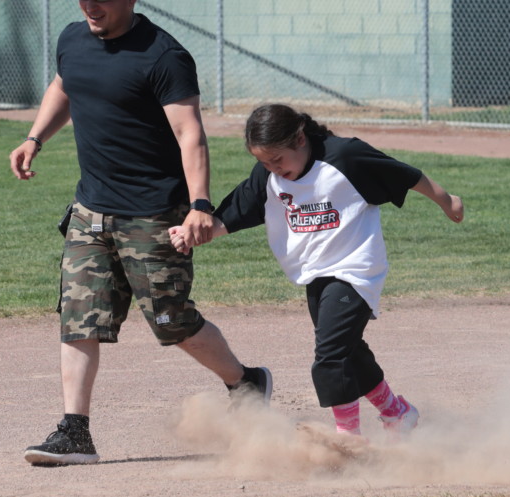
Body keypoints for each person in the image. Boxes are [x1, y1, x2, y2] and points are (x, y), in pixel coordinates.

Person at [9, 0, 272, 467]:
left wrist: (199, 205)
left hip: (154, 212)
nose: (91, 4)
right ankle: (75, 430)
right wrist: (35, 137)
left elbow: (189, 134)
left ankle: (245, 382)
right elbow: (65, 86)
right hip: (90, 210)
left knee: (172, 322)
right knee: (79, 318)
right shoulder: (72, 39)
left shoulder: (163, 56)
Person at [170, 103, 464, 443]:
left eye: (277, 159)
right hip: (315, 274)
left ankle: (349, 440)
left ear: (299, 139)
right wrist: (195, 234)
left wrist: (447, 200)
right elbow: (238, 213)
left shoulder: (345, 158)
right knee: (349, 352)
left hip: (356, 269)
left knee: (329, 356)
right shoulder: (269, 175)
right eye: (264, 162)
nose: (272, 169)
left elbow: (406, 175)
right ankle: (397, 413)